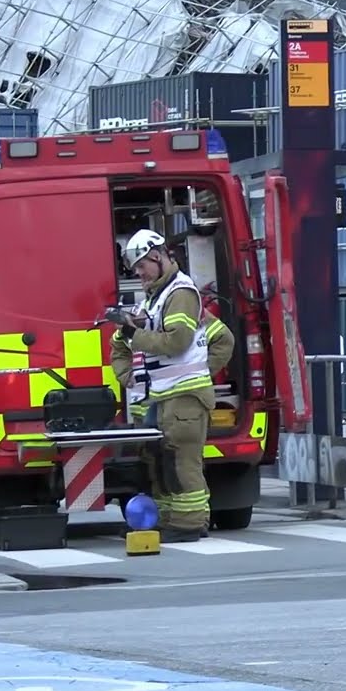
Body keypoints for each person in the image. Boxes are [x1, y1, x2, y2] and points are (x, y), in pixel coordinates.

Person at [106, 229, 218, 543]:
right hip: (165, 397)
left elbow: (177, 342)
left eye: (141, 265)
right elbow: (124, 344)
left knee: (182, 463)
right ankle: (170, 520)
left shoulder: (180, 293)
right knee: (164, 462)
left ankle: (189, 524)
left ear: (157, 256)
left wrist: (133, 335)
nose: (138, 272)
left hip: (184, 396)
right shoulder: (157, 297)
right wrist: (128, 369)